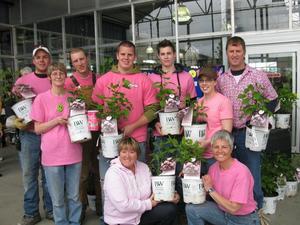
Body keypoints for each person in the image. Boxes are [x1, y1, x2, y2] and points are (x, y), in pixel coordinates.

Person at [216, 36, 278, 209]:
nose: (235, 54)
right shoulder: (221, 79)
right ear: (227, 53)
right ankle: (233, 214)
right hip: (227, 134)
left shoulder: (257, 76)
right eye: (231, 51)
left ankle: (255, 215)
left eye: (238, 51)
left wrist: (258, 117)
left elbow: (273, 99)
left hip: (249, 134)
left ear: (244, 53)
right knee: (230, 177)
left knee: (252, 176)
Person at [92, 41, 159, 178]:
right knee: (109, 182)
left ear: (134, 57)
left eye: (130, 55)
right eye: (123, 54)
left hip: (136, 140)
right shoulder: (104, 80)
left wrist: (132, 126)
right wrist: (105, 121)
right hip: (110, 139)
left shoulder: (143, 80)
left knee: (136, 181)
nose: (126, 58)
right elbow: (95, 108)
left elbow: (152, 110)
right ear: (117, 55)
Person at [30, 62, 82, 225]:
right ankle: (61, 222)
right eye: (55, 73)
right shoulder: (41, 99)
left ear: (65, 76)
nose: (58, 76)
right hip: (52, 154)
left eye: (61, 73)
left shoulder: (73, 98)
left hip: (73, 152)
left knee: (74, 195)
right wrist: (56, 121)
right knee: (57, 197)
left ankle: (74, 222)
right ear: (49, 77)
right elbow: (37, 129)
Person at [13, 46, 53, 225]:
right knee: (29, 176)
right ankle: (31, 213)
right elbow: (14, 98)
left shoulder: (54, 78)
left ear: (49, 60)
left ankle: (51, 209)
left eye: (45, 57)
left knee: (49, 175)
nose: (42, 60)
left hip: (48, 132)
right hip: (29, 133)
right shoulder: (24, 80)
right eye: (39, 57)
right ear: (34, 60)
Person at [185, 130, 260, 225]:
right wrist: (189, 173)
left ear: (231, 149)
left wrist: (210, 190)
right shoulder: (213, 168)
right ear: (212, 149)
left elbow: (234, 208)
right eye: (216, 147)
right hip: (223, 213)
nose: (220, 151)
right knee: (192, 209)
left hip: (244, 219)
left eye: (224, 147)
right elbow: (207, 193)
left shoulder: (241, 172)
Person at [103, 137, 179, 225]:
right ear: (119, 154)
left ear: (137, 154)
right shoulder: (113, 173)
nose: (127, 156)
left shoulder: (143, 167)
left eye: (132, 152)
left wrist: (171, 195)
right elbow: (123, 206)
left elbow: (155, 189)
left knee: (169, 209)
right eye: (124, 152)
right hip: (120, 221)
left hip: (140, 216)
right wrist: (148, 204)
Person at [65, 48, 101, 221]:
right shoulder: (68, 82)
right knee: (83, 172)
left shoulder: (98, 78)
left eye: (81, 59)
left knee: (100, 169)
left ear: (87, 58)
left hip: (99, 130)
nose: (79, 63)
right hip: (80, 133)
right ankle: (80, 208)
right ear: (72, 64)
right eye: (75, 61)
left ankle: (103, 205)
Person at [148, 39, 197, 151]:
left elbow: (192, 103)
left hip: (181, 132)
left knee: (181, 167)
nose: (166, 57)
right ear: (158, 56)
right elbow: (149, 105)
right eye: (163, 54)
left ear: (174, 54)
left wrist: (186, 124)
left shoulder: (186, 76)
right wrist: (154, 123)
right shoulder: (151, 78)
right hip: (160, 134)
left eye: (169, 53)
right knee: (162, 167)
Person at [196, 67, 233, 174]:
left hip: (217, 155)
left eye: (208, 80)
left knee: (216, 188)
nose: (204, 84)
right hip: (200, 155)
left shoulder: (223, 101)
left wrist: (207, 142)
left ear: (215, 82)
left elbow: (226, 131)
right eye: (201, 81)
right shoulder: (199, 103)